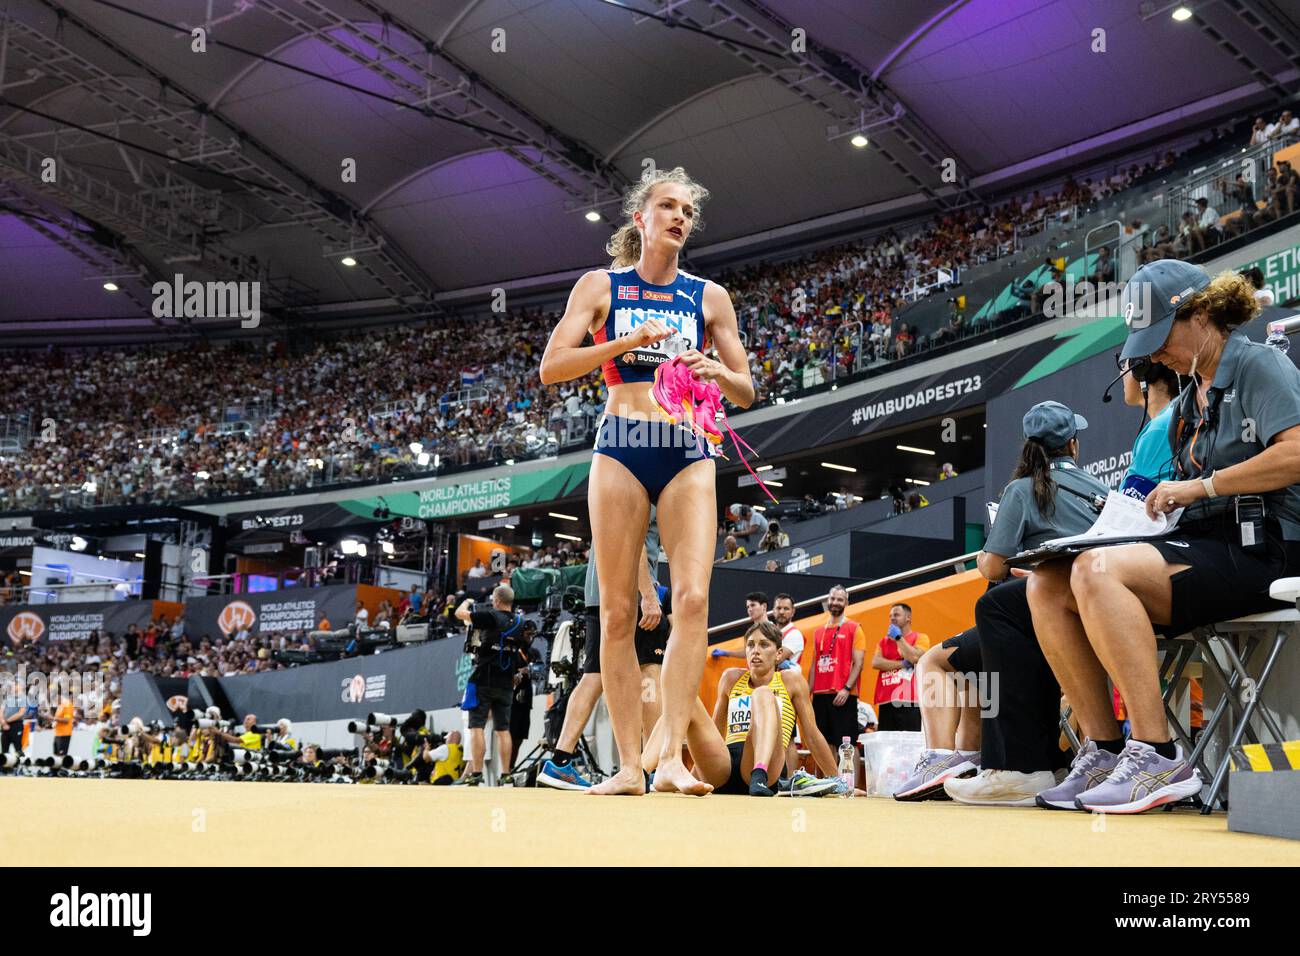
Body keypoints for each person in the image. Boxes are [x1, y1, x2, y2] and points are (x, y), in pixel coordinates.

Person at [1028, 261, 1300, 813]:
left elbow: (1295, 454)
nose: (1153, 356)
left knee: (1097, 571)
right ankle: (1104, 750)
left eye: (1160, 339)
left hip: (1264, 548)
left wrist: (1200, 486)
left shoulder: (1259, 365)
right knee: (1046, 584)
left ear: (1201, 315)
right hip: (1202, 545)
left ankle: (1158, 756)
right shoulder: (1185, 405)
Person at [540, 166, 753, 796]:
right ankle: (629, 766)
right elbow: (553, 367)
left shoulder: (710, 297)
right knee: (618, 613)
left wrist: (712, 367)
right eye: (667, 206)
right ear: (642, 218)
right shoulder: (601, 285)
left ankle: (669, 763)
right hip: (622, 446)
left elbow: (745, 389)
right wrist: (625, 341)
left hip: (687, 448)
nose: (679, 217)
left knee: (691, 601)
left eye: (687, 209)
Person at [934, 401, 1110, 805]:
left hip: (1057, 605)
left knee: (994, 605)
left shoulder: (1022, 488)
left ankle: (1016, 766)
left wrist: (986, 556)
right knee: (1019, 616)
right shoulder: (1099, 488)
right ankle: (1047, 760)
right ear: (1073, 445)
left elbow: (992, 565)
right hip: (1104, 608)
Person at [538, 515, 668, 791]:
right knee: (649, 671)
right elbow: (637, 544)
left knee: (594, 674)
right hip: (629, 595)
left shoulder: (610, 487)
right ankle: (653, 767)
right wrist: (647, 594)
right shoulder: (643, 487)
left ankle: (560, 761)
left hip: (598, 595)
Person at [642, 622, 841, 796]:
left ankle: (759, 773)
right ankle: (641, 771)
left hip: (764, 764)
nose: (756, 651)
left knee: (763, 694)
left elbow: (812, 735)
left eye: (764, 645)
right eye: (750, 645)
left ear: (779, 653)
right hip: (725, 767)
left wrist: (837, 781)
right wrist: (699, 772)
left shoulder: (791, 681)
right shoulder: (731, 678)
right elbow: (715, 732)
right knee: (686, 702)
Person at [454, 584, 527, 786]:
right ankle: (506, 774)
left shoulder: (490, 616)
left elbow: (460, 613)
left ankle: (476, 773)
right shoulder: (521, 622)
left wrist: (468, 600)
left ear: (496, 600)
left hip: (483, 680)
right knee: (503, 730)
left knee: (476, 726)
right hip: (506, 683)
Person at [808, 585, 865, 779]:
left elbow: (859, 662)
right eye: (833, 598)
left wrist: (847, 688)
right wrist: (809, 692)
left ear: (846, 603)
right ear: (827, 600)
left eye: (840, 599)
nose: (835, 603)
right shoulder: (818, 632)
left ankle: (853, 786)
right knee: (823, 742)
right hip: (820, 694)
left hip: (843, 693)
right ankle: (827, 782)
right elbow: (815, 664)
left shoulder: (854, 628)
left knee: (847, 743)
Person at [871, 603, 929, 732]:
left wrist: (898, 638)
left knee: (910, 743)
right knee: (887, 746)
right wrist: (902, 664)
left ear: (908, 617)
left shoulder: (920, 638)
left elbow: (915, 658)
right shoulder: (883, 642)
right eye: (890, 615)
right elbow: (876, 662)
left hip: (909, 700)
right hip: (886, 699)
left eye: (896, 614)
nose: (892, 618)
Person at [710, 592, 770, 661]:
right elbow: (746, 653)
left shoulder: (773, 630)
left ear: (764, 606)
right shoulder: (750, 631)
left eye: (753, 605)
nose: (750, 609)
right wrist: (726, 653)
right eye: (748, 607)